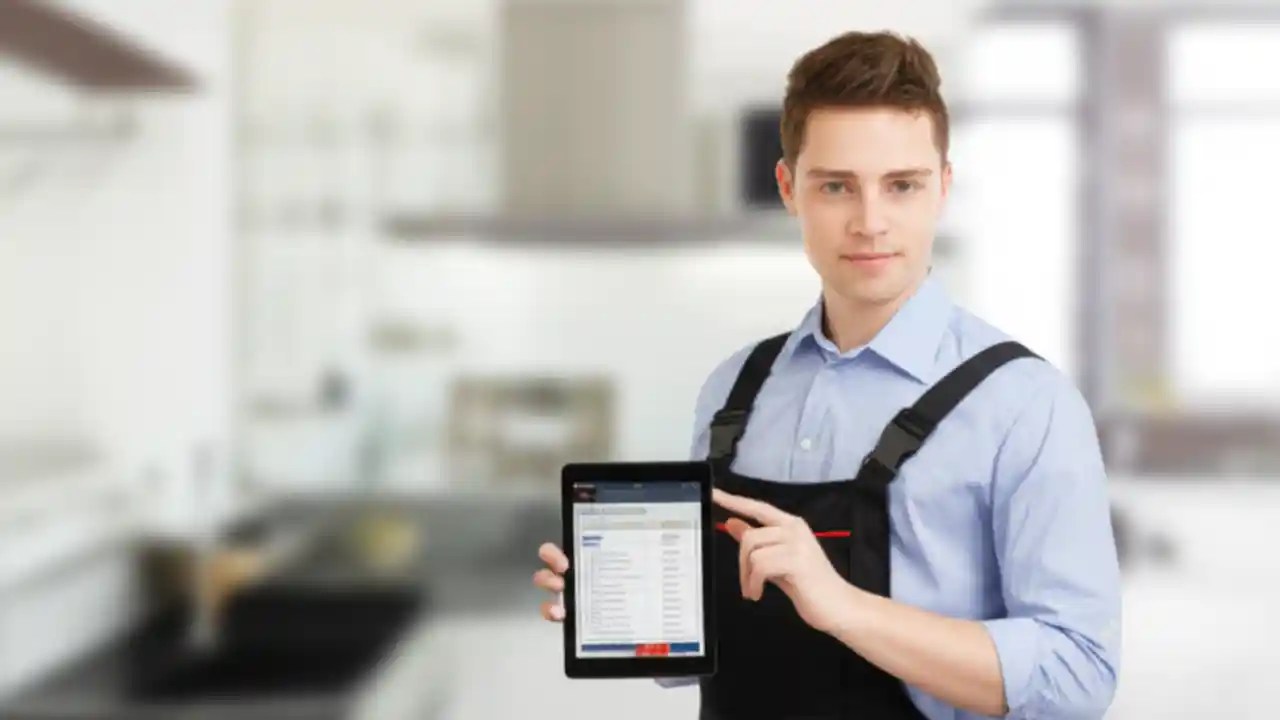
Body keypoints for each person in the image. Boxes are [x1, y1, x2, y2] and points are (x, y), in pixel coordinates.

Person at [533, 29, 1121, 720]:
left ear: (943, 189)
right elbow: (709, 646)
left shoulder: (1027, 405)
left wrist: (844, 608)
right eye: (837, 186)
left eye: (901, 186)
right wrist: (623, 604)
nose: (870, 222)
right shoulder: (733, 391)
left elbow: (1079, 678)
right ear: (789, 189)